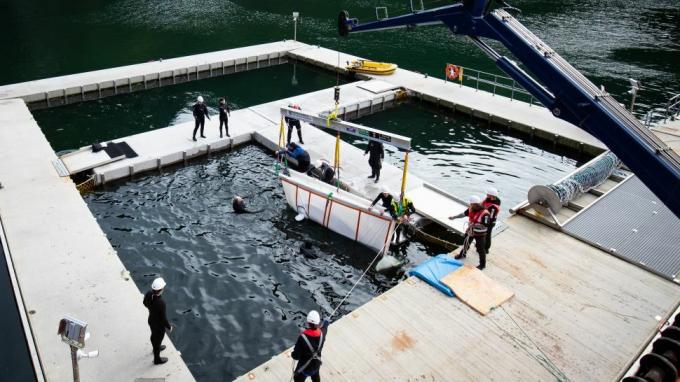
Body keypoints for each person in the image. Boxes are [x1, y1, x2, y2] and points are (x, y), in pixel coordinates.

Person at [448, 195, 490, 270]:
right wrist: (454, 217)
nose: (470, 205)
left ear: (476, 204)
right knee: (466, 243)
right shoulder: (471, 209)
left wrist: (475, 224)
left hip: (480, 234)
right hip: (470, 231)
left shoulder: (485, 214)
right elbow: (463, 214)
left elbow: (486, 224)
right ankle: (462, 254)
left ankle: (482, 264)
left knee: (481, 248)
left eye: (471, 204)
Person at [291, 310, 329, 382]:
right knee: (315, 378)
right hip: (316, 365)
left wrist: (292, 354)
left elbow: (296, 356)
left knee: (297, 379)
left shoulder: (302, 338)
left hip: (304, 368)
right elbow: (325, 327)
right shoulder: (322, 334)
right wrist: (326, 321)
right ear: (318, 322)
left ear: (308, 323)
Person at [143, 277, 173, 365]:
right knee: (158, 340)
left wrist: (151, 309)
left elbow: (144, 303)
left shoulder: (148, 293)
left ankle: (156, 348)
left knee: (153, 336)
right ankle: (157, 359)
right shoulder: (161, 302)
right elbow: (163, 318)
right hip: (159, 326)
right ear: (161, 289)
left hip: (151, 320)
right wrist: (169, 327)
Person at [482, 187, 501, 253]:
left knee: (487, 235)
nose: (486, 195)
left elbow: (491, 217)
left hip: (490, 222)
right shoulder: (488, 199)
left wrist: (485, 223)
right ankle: (481, 245)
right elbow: (482, 204)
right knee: (483, 234)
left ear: (492, 196)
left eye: (488, 194)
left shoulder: (493, 207)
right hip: (485, 219)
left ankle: (486, 248)